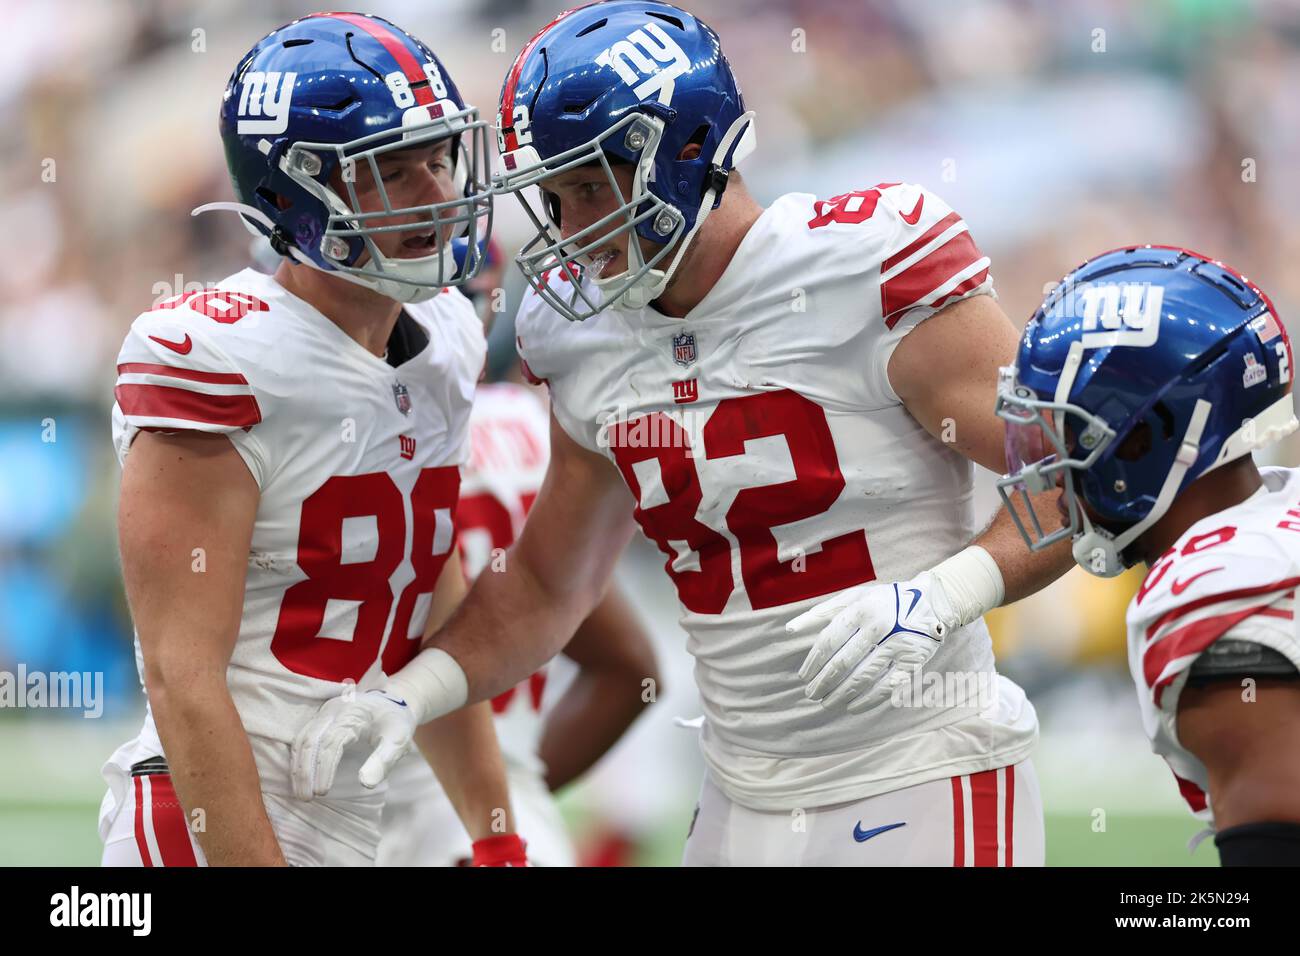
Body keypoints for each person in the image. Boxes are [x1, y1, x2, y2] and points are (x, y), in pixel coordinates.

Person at [294, 0, 1073, 866]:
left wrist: (946, 595)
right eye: (551, 197)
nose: (574, 226)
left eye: (591, 184)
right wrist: (416, 694)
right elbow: (552, 581)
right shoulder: (579, 333)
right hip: (739, 793)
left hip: (923, 769)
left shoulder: (864, 264)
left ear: (691, 148)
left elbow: (1074, 474)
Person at [100, 12, 526, 867]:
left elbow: (421, 586)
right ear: (294, 193)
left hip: (358, 813)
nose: (438, 194)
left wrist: (496, 838)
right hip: (208, 813)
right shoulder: (215, 355)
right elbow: (184, 678)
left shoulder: (447, 333)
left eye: (440, 158)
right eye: (392, 172)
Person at [995, 244, 1300, 866]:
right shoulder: (1275, 524)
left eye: (1065, 434)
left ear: (1143, 441)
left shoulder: (1214, 591)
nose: (1045, 471)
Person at [379, 336, 659, 868]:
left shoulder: (349, 432)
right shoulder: (525, 421)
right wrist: (511, 790)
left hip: (371, 814)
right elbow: (630, 671)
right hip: (499, 818)